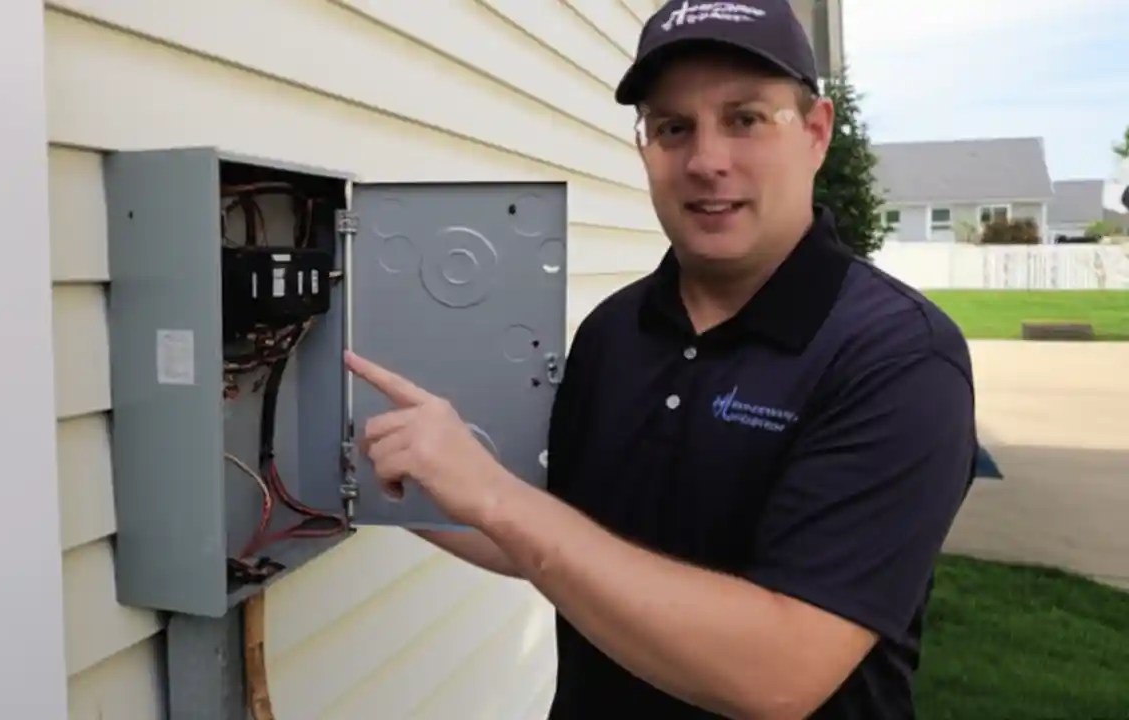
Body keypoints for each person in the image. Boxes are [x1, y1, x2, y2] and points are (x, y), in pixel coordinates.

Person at [343, 0, 978, 717]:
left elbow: (778, 674)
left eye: (745, 119)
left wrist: (494, 494)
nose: (706, 161)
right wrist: (393, 480)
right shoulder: (614, 333)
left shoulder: (897, 357)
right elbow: (558, 542)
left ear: (815, 132)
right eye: (673, 127)